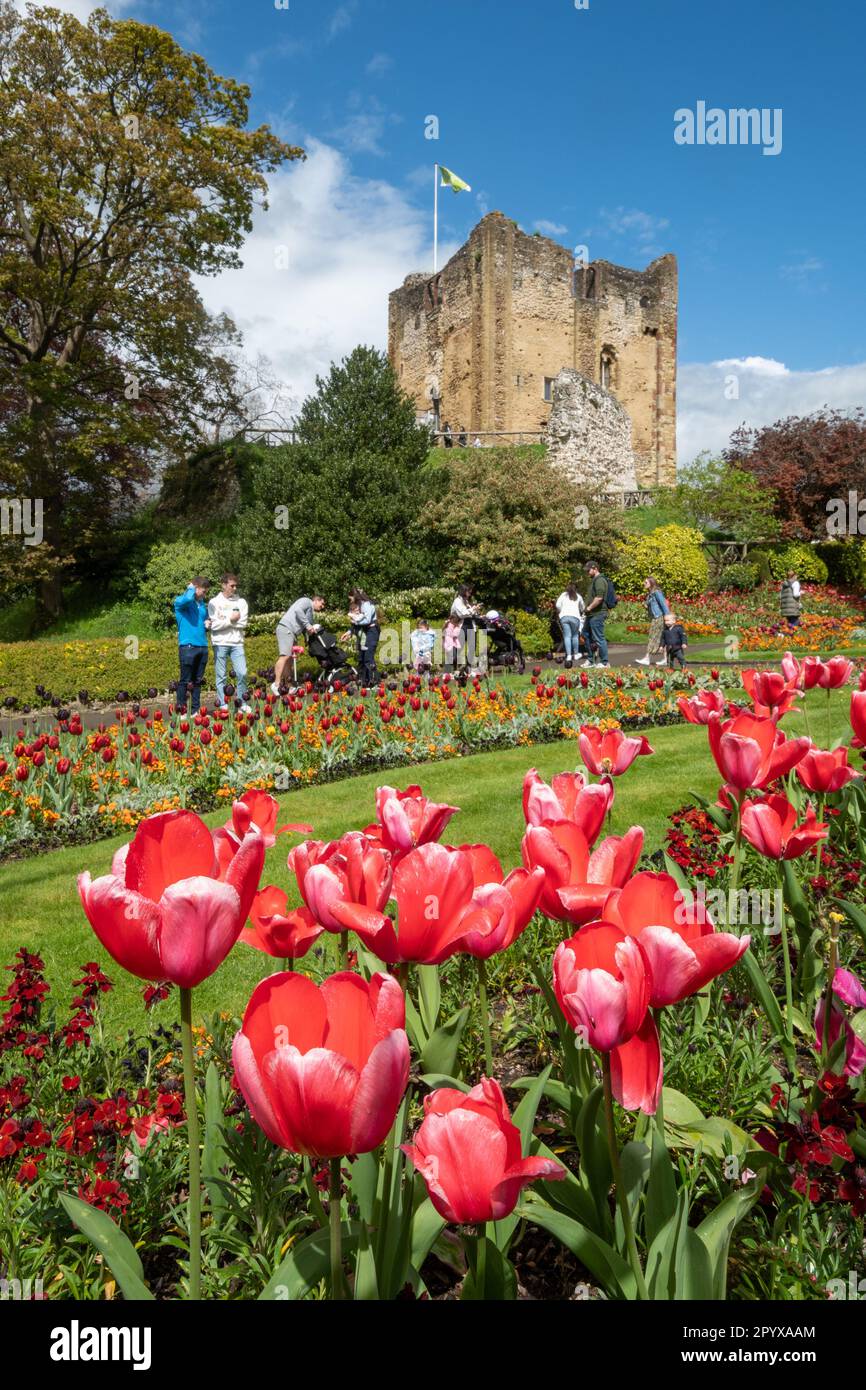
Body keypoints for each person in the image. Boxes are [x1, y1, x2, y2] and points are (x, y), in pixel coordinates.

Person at [208, 573, 251, 712]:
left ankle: (242, 702)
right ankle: (222, 703)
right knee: (221, 675)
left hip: (237, 642)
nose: (234, 588)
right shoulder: (214, 602)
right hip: (220, 642)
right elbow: (213, 626)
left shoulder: (241, 602)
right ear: (223, 585)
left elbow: (243, 623)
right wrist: (231, 620)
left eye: (235, 585)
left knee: (242, 672)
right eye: (232, 585)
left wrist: (224, 620)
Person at [272, 595, 326, 694]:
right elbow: (297, 610)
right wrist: (308, 626)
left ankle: (288, 686)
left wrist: (307, 636)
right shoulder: (306, 601)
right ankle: (276, 684)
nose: (322, 607)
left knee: (290, 660)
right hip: (286, 628)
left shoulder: (310, 612)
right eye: (322, 604)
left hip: (292, 632)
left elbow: (306, 626)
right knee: (285, 656)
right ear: (316, 600)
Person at [173, 576, 210, 714]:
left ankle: (195, 711)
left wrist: (207, 623)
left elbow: (204, 618)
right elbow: (188, 599)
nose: (205, 595)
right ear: (196, 588)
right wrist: (190, 588)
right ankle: (181, 712)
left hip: (202, 646)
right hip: (188, 647)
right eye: (204, 591)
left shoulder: (201, 605)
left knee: (197, 681)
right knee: (185, 681)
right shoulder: (180, 602)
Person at [344, 587, 380, 686]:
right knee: (362, 658)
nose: (350, 600)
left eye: (350, 598)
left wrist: (354, 620)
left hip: (372, 631)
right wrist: (349, 632)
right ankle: (364, 681)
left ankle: (374, 681)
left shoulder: (367, 605)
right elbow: (357, 622)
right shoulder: (359, 605)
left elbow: (367, 620)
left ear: (355, 596)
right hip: (364, 632)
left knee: (368, 657)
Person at [635, 576, 670, 667]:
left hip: (658, 618)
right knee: (663, 638)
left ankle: (647, 658)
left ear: (651, 583)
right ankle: (666, 659)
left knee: (653, 636)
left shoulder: (656, 593)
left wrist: (667, 617)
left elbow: (664, 605)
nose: (644, 584)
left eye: (646, 582)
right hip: (656, 617)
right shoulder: (650, 594)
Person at [583, 561, 611, 669]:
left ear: (595, 568)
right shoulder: (594, 580)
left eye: (588, 570)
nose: (587, 572)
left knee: (599, 637)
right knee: (586, 634)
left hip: (597, 613)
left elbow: (599, 598)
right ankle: (591, 660)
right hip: (591, 614)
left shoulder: (600, 580)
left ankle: (604, 662)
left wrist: (589, 608)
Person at [451, 584, 482, 673]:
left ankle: (468, 667)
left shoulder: (467, 601)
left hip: (471, 625)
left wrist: (477, 611)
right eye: (468, 591)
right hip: (460, 626)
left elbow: (471, 614)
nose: (470, 592)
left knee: (472, 648)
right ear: (463, 591)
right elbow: (462, 614)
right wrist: (473, 609)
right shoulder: (457, 601)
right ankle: (455, 669)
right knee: (457, 649)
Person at [555, 583, 586, 669]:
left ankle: (568, 655)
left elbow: (557, 605)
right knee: (575, 636)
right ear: (575, 589)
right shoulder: (578, 596)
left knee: (567, 636)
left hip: (564, 617)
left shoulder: (563, 595)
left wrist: (562, 610)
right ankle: (576, 654)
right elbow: (583, 608)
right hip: (575, 617)